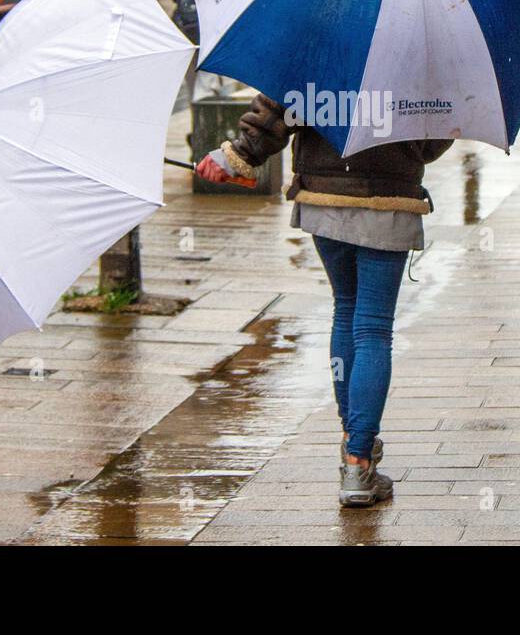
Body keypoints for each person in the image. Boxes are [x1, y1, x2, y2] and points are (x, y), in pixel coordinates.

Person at [194, 97, 452, 507]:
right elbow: (432, 143)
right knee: (373, 328)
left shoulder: (318, 34)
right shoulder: (422, 52)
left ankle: (353, 439)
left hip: (323, 200)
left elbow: (279, 107)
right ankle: (358, 461)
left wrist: (238, 156)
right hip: (390, 201)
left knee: (346, 309)